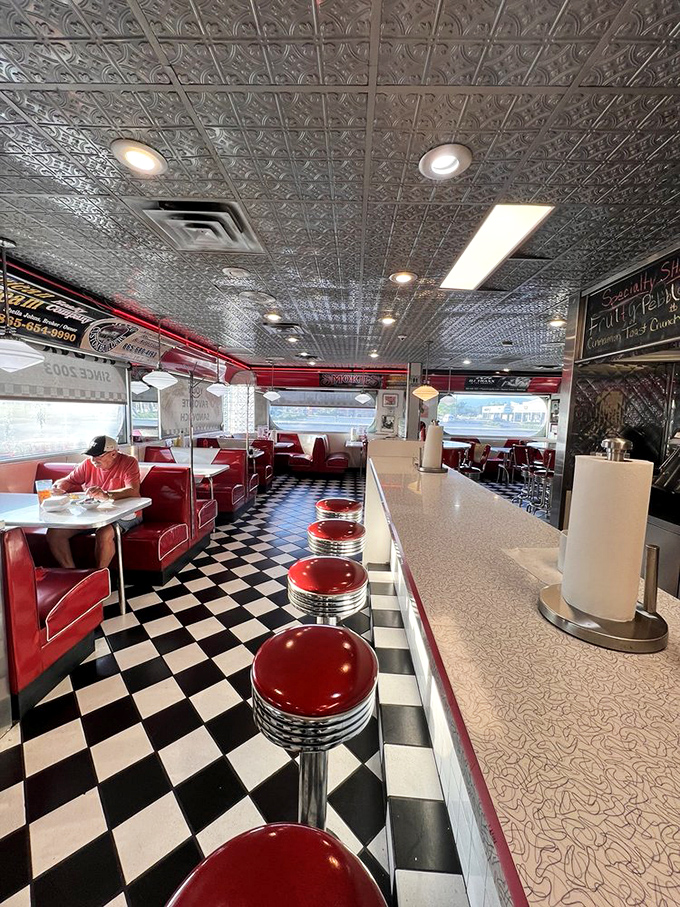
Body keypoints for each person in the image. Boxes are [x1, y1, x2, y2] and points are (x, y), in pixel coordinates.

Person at [47, 436, 142, 569]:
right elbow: (69, 481)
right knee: (54, 533)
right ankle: (74, 576)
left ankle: (99, 576)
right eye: (91, 455)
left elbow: (133, 490)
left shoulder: (129, 462)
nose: (93, 460)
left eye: (98, 455)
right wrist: (59, 486)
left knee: (104, 533)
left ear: (113, 454)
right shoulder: (87, 464)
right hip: (92, 514)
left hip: (126, 514)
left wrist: (106, 494)